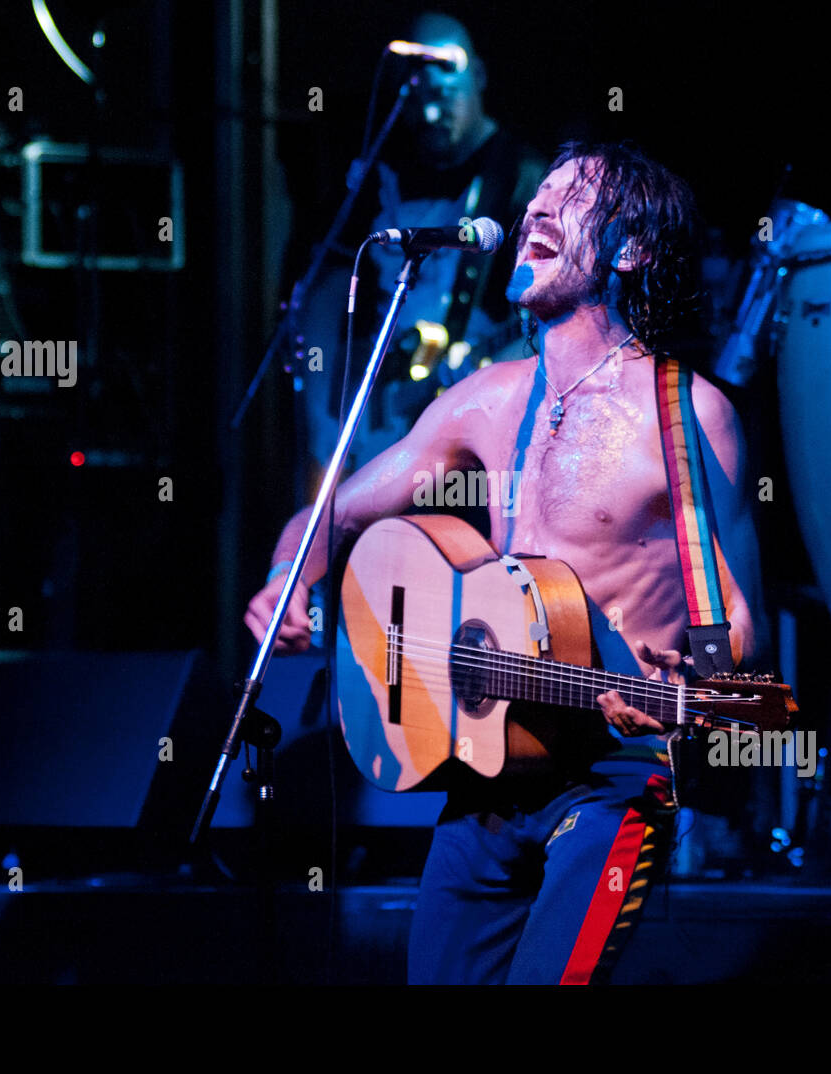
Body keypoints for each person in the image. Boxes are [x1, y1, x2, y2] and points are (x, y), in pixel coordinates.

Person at [247, 142, 765, 984]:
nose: (537, 210)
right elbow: (331, 514)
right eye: (539, 195)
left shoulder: (688, 414)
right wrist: (289, 578)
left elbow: (742, 621)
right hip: (487, 768)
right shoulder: (489, 400)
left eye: (574, 196)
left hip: (610, 777)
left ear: (630, 250)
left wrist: (688, 684)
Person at [297, 12, 546, 478]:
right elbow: (325, 298)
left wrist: (489, 372)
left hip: (478, 434)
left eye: (445, 94)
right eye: (420, 97)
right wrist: (325, 421)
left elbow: (550, 318)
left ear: (479, 77)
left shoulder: (524, 178)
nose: (432, 114)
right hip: (376, 423)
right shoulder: (378, 175)